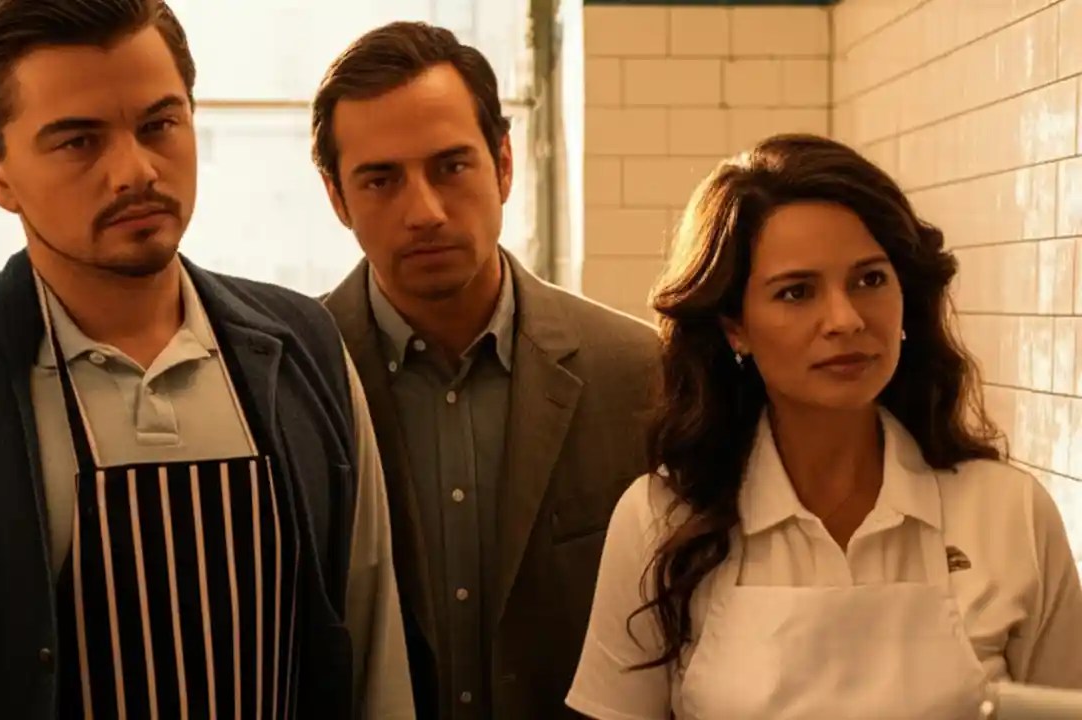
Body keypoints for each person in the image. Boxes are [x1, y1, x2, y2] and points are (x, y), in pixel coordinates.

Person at [0, 1, 415, 718]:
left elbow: (374, 660)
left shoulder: (302, 350)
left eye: (159, 124)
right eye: (78, 141)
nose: (134, 171)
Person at [567, 134, 1082, 720]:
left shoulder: (1008, 512)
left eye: (869, 280)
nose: (845, 319)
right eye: (796, 292)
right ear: (735, 327)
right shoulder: (660, 521)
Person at [315, 21, 663, 720]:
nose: (425, 211)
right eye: (381, 179)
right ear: (337, 198)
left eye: (451, 166)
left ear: (503, 164)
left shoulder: (639, 375)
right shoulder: (292, 379)